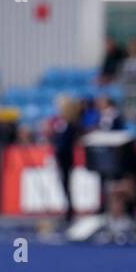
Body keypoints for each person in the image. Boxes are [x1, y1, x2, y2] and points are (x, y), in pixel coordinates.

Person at [50, 95, 83, 225]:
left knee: (67, 182)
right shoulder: (61, 122)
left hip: (66, 156)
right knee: (63, 183)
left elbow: (68, 140)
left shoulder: (71, 123)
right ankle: (67, 209)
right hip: (60, 155)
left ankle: (70, 211)